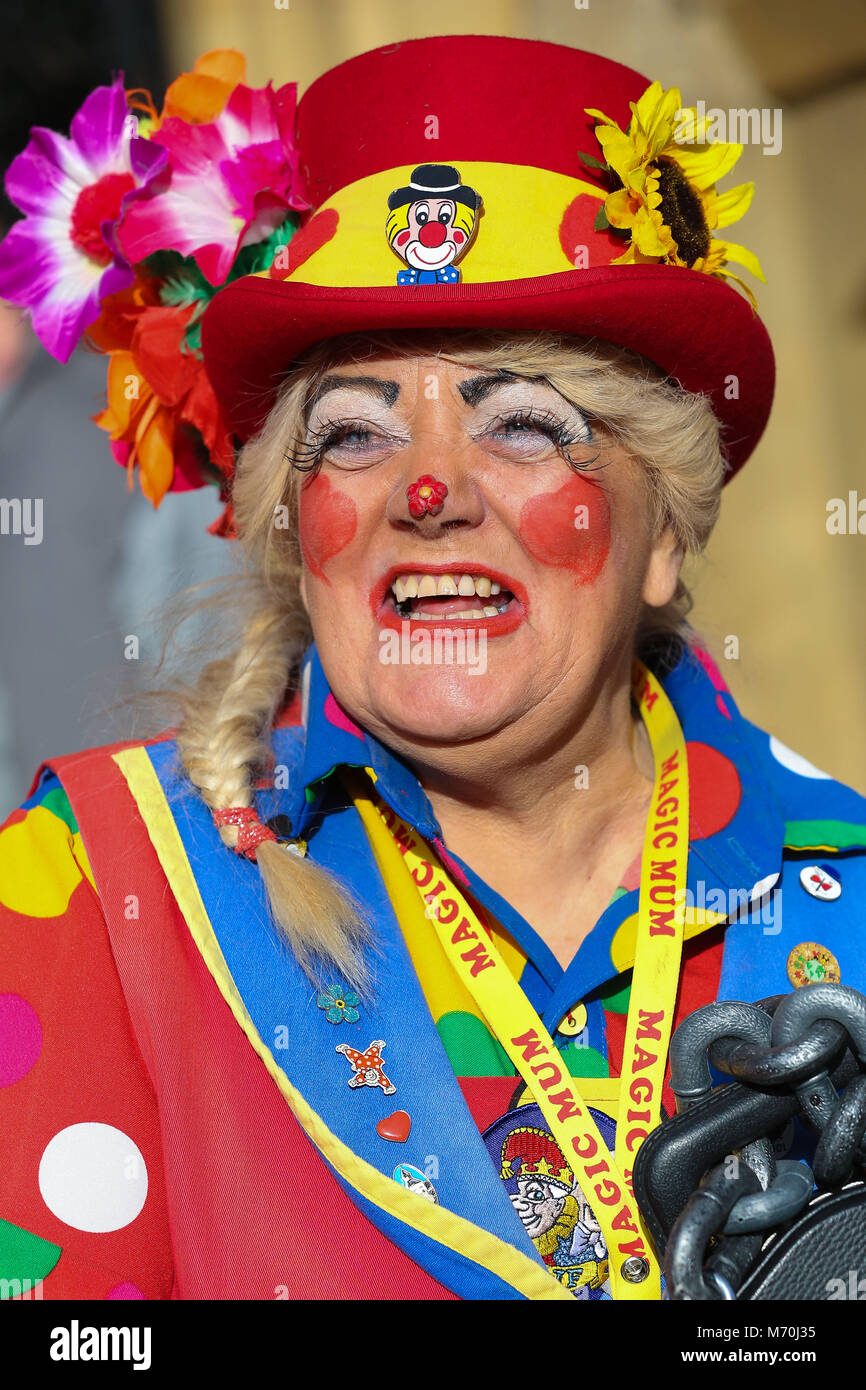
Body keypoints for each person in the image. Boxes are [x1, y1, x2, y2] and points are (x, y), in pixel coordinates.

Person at [2, 33, 865, 1304]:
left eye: (522, 422)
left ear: (663, 536)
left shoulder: (842, 889)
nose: (427, 489)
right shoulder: (104, 890)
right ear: (295, 533)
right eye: (353, 432)